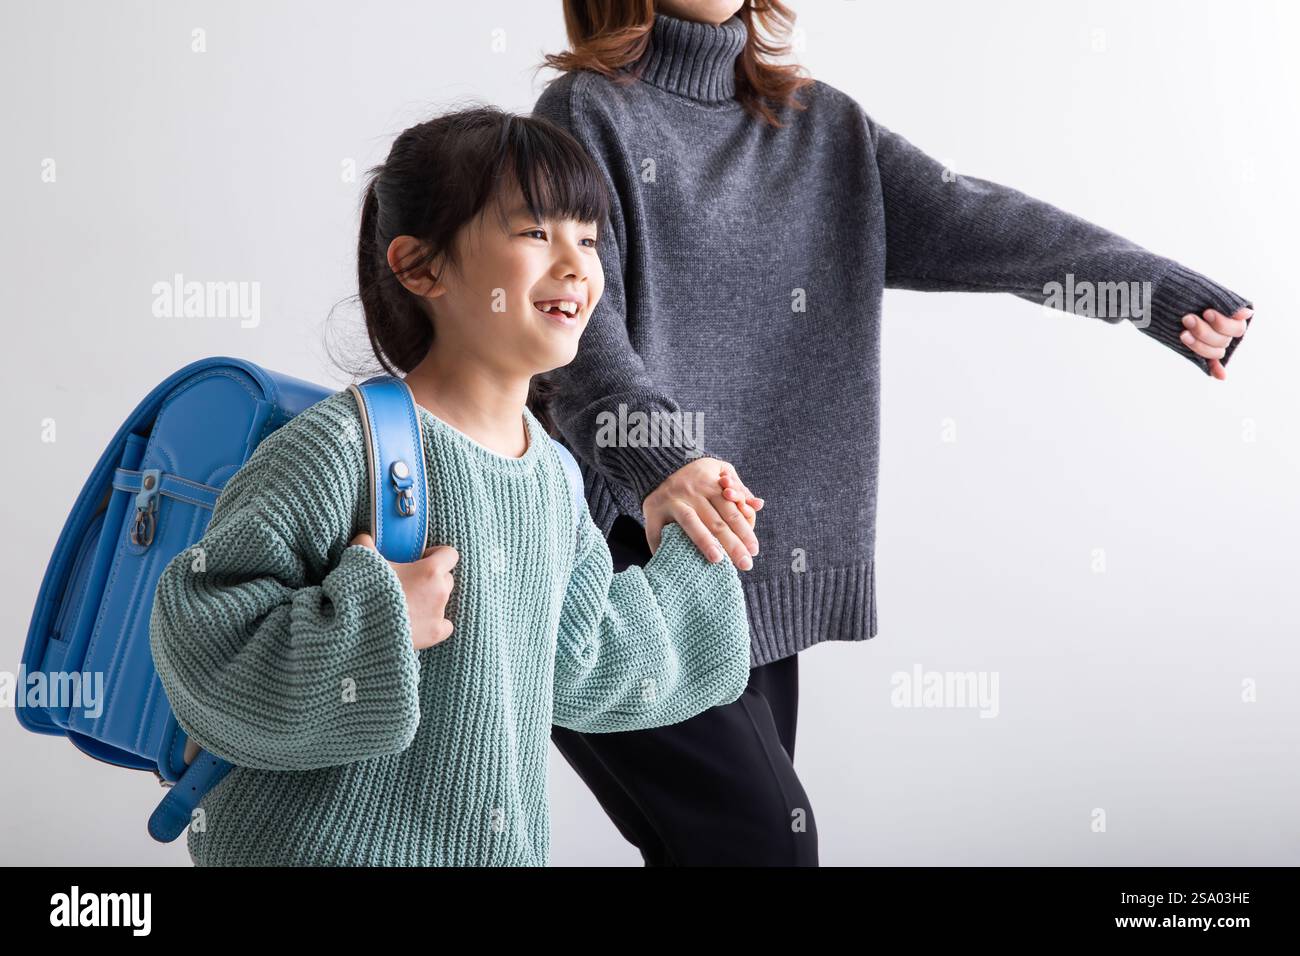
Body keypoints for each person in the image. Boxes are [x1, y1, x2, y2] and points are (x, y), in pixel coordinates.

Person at [532, 0, 1254, 866]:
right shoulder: (586, 112)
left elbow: (985, 224)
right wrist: (664, 463)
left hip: (749, 556)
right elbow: (574, 339)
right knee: (766, 844)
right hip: (624, 559)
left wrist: (1151, 291)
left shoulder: (822, 129)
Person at [148, 106, 754, 866]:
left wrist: (699, 555)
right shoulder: (345, 446)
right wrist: (376, 621)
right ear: (420, 267)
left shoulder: (554, 479)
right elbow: (200, 640)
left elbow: (584, 658)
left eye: (589, 238)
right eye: (535, 232)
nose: (576, 264)